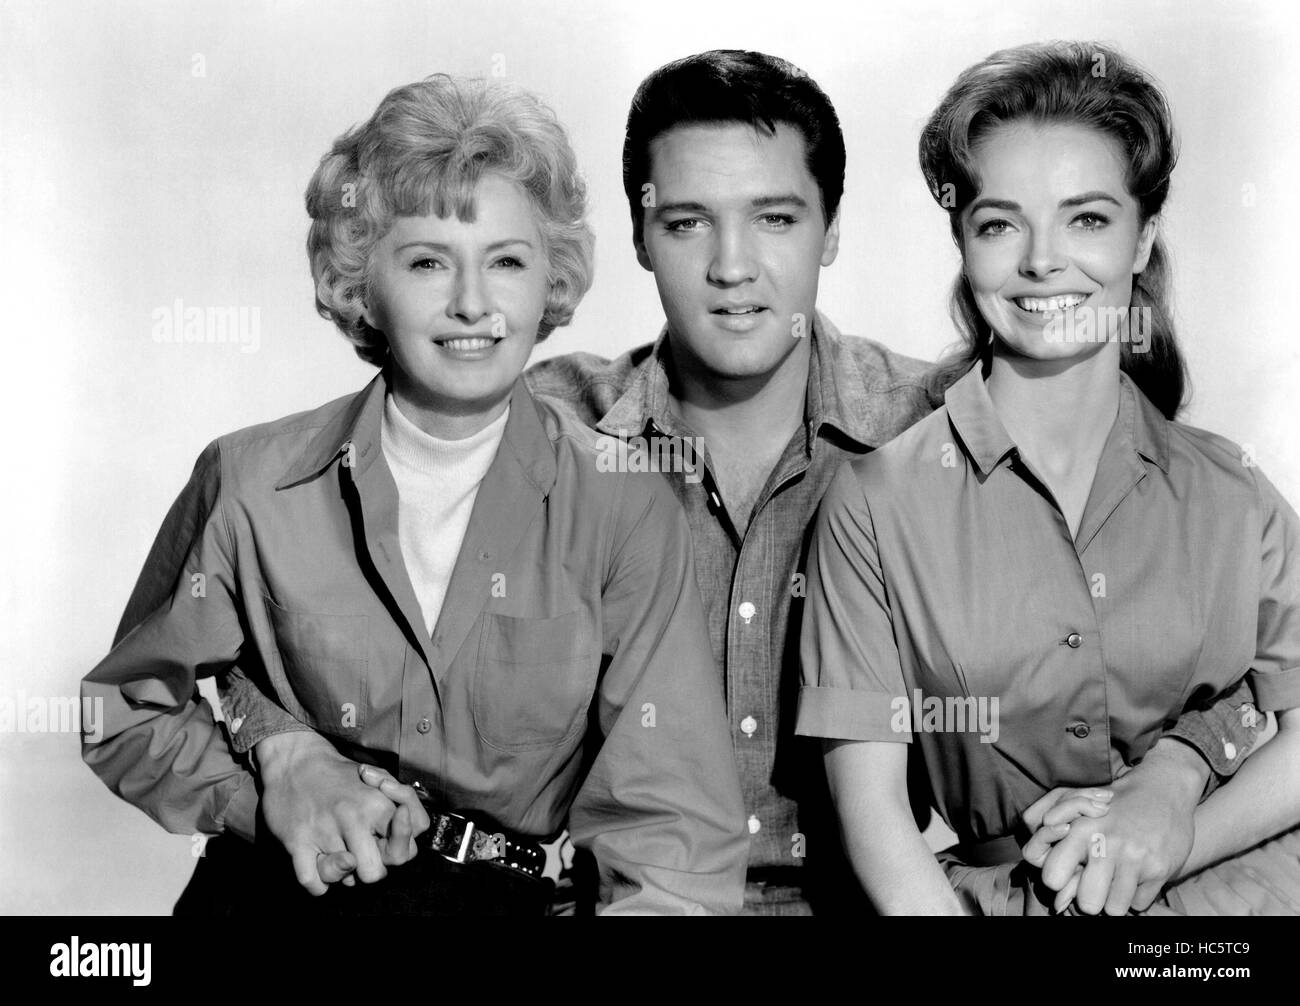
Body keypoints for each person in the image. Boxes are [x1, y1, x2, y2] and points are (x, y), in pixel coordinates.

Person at [225, 50, 1262, 915]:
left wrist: (1175, 773)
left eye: (773, 220)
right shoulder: (541, 424)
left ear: (832, 228)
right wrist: (283, 752)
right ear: (636, 234)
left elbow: (1183, 627)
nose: (732, 266)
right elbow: (273, 620)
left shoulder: (941, 437)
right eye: (686, 224)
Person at [80, 73, 748, 916]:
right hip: (270, 900)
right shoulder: (251, 482)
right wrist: (266, 791)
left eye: (506, 261)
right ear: (362, 282)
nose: (473, 303)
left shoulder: (622, 506)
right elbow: (123, 712)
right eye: (429, 261)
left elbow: (672, 831)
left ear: (552, 280)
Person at [797, 40, 1300, 915]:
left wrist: (1173, 822)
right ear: (963, 241)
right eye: (1000, 223)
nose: (1041, 261)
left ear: (1144, 239)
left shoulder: (1235, 493)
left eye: (1088, 219)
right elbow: (873, 815)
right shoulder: (874, 503)